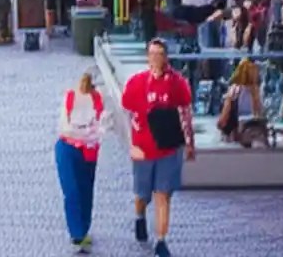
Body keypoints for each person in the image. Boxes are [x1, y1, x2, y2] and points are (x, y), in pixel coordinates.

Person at [120, 39, 194, 257]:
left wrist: (189, 143)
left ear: (166, 57)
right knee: (142, 193)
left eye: (160, 54)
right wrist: (130, 143)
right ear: (147, 57)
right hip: (143, 148)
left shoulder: (177, 83)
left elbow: (186, 112)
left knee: (163, 194)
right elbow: (127, 113)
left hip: (168, 149)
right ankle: (140, 216)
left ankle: (161, 240)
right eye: (152, 54)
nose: (156, 58)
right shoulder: (136, 83)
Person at [57, 71, 108, 253]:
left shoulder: (97, 100)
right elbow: (66, 127)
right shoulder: (71, 97)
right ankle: (77, 233)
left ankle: (82, 229)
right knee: (73, 190)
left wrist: (82, 131)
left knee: (84, 189)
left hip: (85, 150)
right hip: (73, 148)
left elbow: (99, 127)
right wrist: (86, 132)